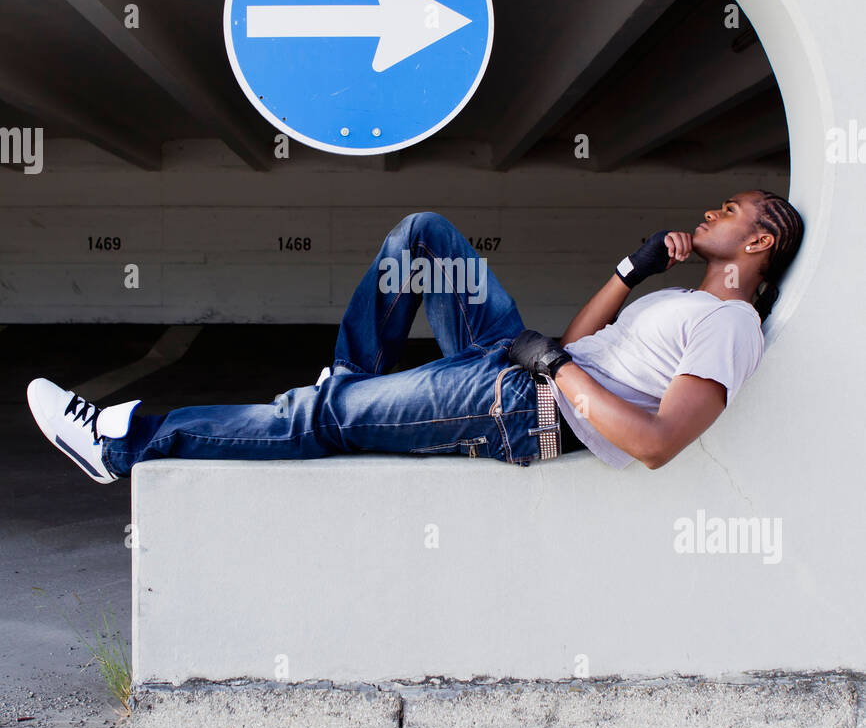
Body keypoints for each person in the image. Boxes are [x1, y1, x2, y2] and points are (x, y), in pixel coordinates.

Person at [26, 190, 803, 482]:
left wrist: (557, 367)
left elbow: (658, 442)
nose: (709, 214)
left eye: (729, 211)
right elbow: (578, 338)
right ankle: (352, 379)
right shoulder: (688, 301)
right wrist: (629, 272)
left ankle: (118, 442)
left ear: (761, 242)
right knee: (423, 234)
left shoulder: (732, 326)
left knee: (316, 421)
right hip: (517, 363)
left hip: (518, 404)